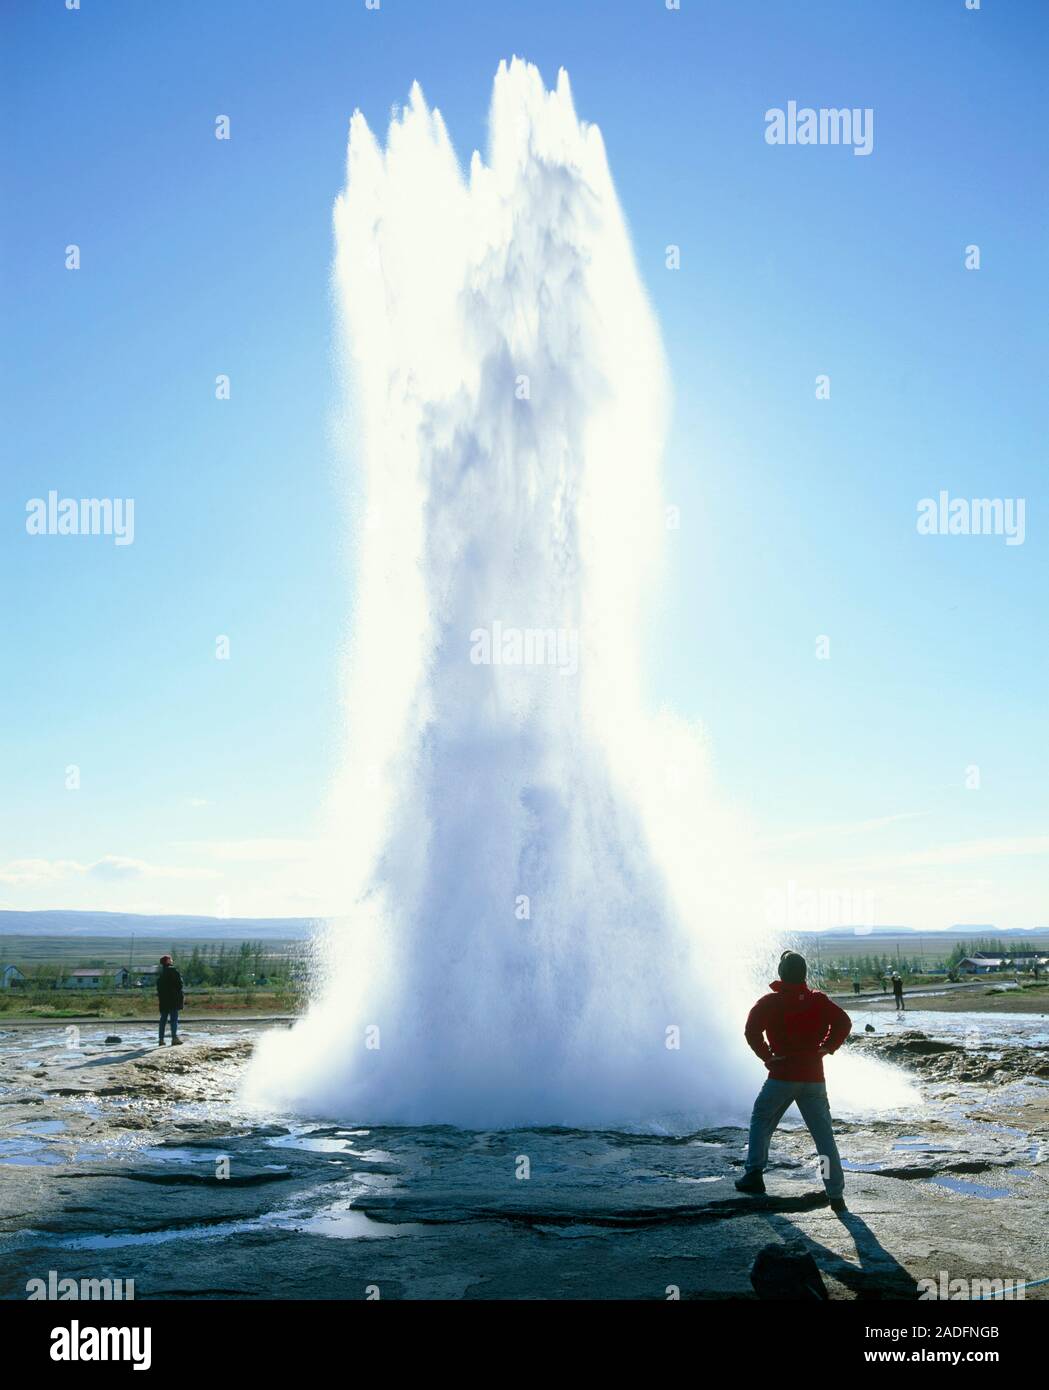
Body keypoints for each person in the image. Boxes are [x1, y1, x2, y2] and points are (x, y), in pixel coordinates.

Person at [735, 950, 852, 1212]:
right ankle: (836, 1196)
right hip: (813, 1078)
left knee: (761, 1120)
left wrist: (767, 1057)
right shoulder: (818, 1001)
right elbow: (844, 1022)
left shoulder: (770, 1002)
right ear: (804, 975)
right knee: (824, 1138)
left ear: (781, 974)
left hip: (782, 1076)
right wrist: (827, 1047)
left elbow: (750, 1031)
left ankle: (754, 1175)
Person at [156, 954, 185, 1046]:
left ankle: (161, 1040)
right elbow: (180, 985)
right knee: (174, 1019)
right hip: (173, 999)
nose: (172, 960)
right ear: (167, 961)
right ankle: (174, 1038)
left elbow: (158, 988)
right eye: (170, 959)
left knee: (163, 1020)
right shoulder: (173, 971)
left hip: (164, 1000)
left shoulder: (161, 973)